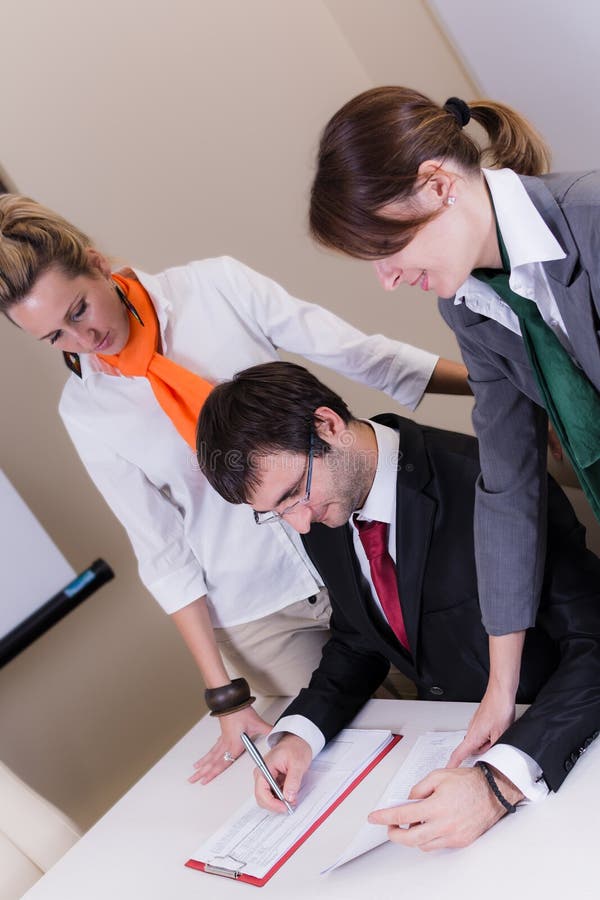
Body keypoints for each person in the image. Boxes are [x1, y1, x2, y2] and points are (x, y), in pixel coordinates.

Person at [0, 193, 469, 784]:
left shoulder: (214, 288)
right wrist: (224, 691)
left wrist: (501, 385)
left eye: (78, 309)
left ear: (96, 264)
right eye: (55, 339)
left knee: (456, 715)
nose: (83, 338)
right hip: (260, 615)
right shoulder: (87, 411)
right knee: (361, 767)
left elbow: (359, 356)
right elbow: (162, 549)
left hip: (350, 547)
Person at [307, 85, 600, 766]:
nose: (386, 278)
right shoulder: (469, 306)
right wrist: (500, 691)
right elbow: (509, 485)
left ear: (438, 185)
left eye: (387, 245)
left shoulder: (590, 218)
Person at [196, 360, 600, 849]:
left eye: (293, 496)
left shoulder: (487, 484)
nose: (299, 524)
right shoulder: (321, 511)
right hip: (450, 760)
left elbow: (592, 643)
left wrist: (501, 782)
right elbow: (357, 637)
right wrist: (302, 732)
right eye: (276, 513)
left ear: (328, 426)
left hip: (556, 755)